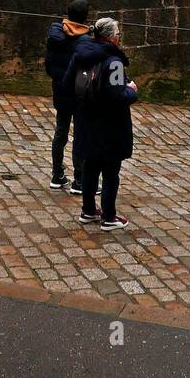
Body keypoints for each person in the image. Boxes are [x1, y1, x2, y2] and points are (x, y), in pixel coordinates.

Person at [62, 16, 137, 231]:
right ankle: (109, 217)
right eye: (118, 35)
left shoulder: (81, 55)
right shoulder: (113, 61)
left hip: (86, 120)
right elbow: (117, 96)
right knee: (111, 171)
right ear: (112, 38)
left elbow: (67, 85)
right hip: (110, 125)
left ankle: (88, 210)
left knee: (91, 166)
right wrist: (131, 91)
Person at [44, 0, 90, 192]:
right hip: (79, 93)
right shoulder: (84, 41)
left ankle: (57, 174)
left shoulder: (55, 35)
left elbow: (49, 64)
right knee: (79, 134)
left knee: (61, 131)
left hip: (60, 89)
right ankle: (79, 180)